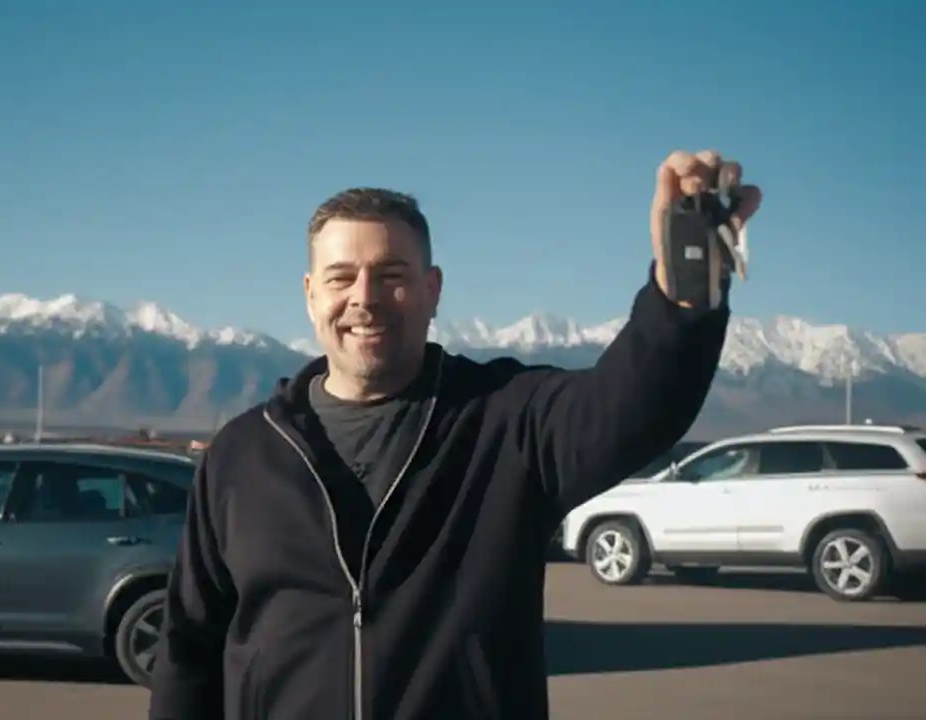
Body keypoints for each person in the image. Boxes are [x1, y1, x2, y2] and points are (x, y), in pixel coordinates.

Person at [148, 150, 762, 720]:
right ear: (311, 297)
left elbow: (631, 409)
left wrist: (683, 300)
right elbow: (190, 646)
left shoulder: (506, 420)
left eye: (391, 274)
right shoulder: (243, 455)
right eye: (340, 278)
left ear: (432, 289)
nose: (364, 298)